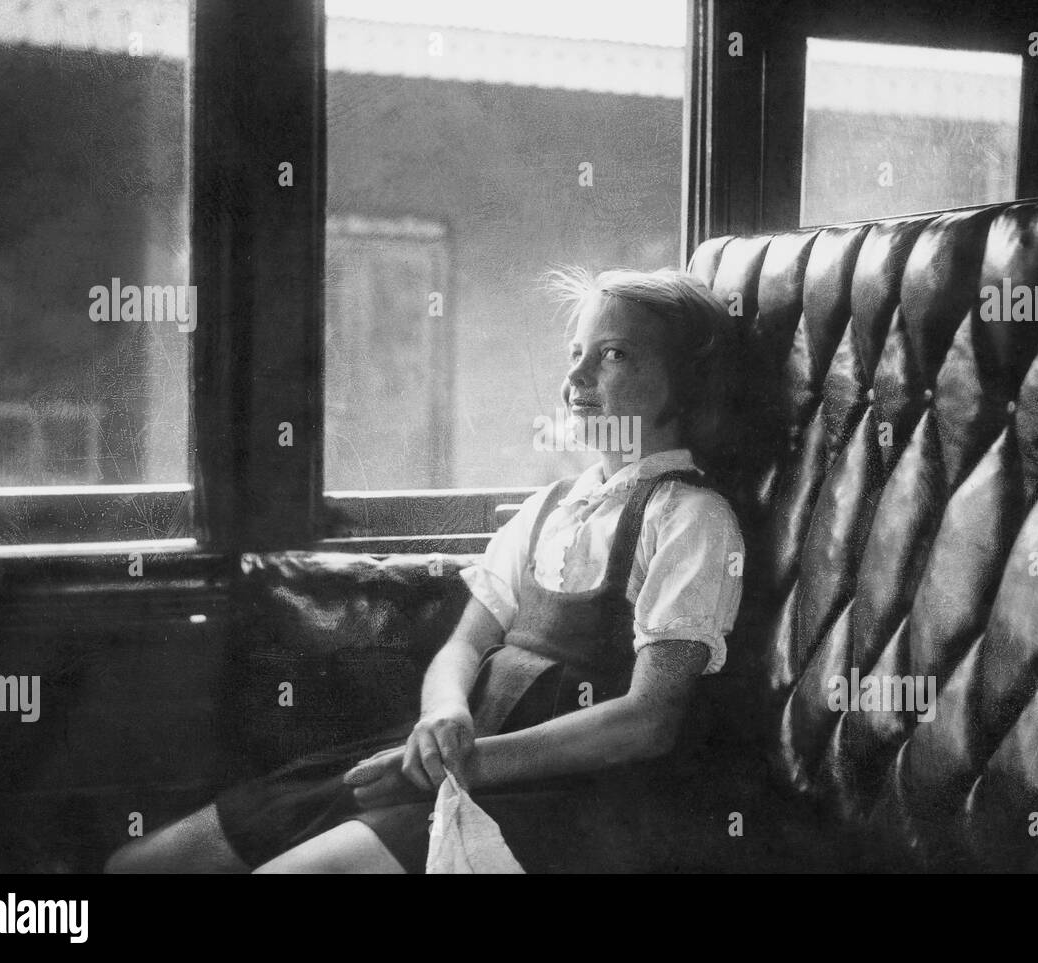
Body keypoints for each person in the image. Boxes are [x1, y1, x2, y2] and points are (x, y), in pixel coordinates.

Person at [105, 266, 744, 873]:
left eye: (615, 355)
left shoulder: (690, 518)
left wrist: (465, 766)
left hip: (569, 797)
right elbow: (468, 641)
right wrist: (444, 715)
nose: (577, 376)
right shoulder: (549, 508)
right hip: (458, 755)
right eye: (574, 351)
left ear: (688, 383)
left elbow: (649, 720)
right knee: (140, 864)